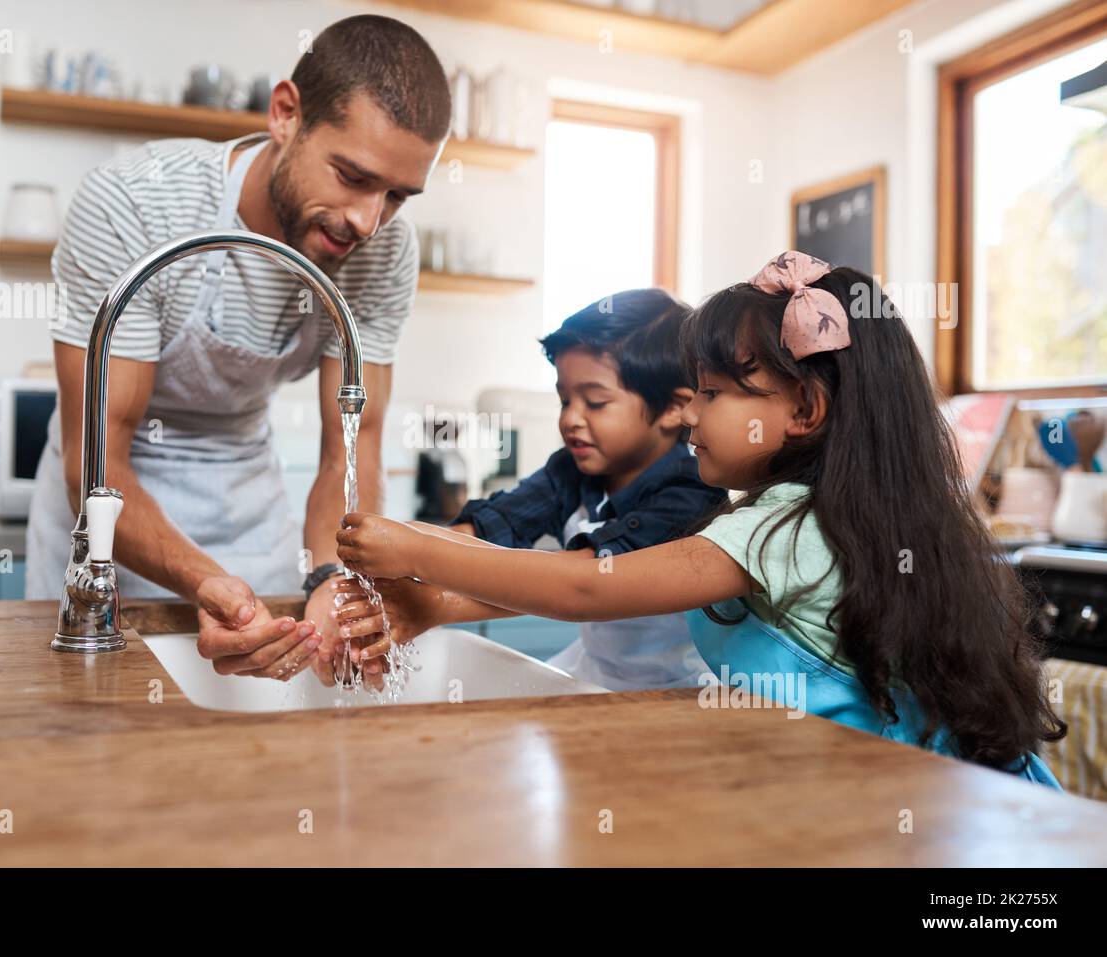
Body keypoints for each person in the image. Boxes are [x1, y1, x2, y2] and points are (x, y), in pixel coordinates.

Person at [335, 252, 1066, 786]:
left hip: (898, 801)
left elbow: (590, 586)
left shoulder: (773, 531)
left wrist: (414, 547)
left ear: (805, 411)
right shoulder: (839, 519)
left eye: (712, 394)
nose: (691, 413)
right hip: (916, 794)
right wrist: (431, 591)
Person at [24, 15, 450, 681]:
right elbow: (98, 459)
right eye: (352, 176)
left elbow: (352, 448)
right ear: (286, 114)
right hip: (107, 512)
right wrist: (205, 581)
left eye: (397, 196)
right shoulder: (137, 203)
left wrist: (336, 579)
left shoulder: (383, 253)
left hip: (246, 496)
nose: (369, 220)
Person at [321, 288, 725, 691]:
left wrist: (423, 572)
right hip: (595, 672)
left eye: (596, 402)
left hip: (681, 689)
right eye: (565, 400)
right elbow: (491, 528)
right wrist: (401, 544)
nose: (571, 419)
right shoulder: (572, 470)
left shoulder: (690, 492)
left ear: (675, 408)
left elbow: (581, 581)